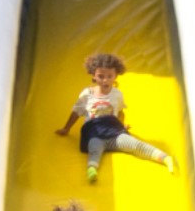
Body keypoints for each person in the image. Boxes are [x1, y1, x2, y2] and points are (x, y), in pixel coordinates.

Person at [55, 52, 174, 184]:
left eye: (109, 76)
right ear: (93, 75)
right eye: (101, 76)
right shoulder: (87, 94)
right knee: (94, 149)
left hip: (113, 133)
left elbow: (121, 112)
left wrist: (122, 127)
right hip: (95, 133)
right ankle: (92, 170)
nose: (105, 80)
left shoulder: (117, 94)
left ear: (116, 76)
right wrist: (66, 128)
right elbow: (76, 112)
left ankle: (164, 157)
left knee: (134, 144)